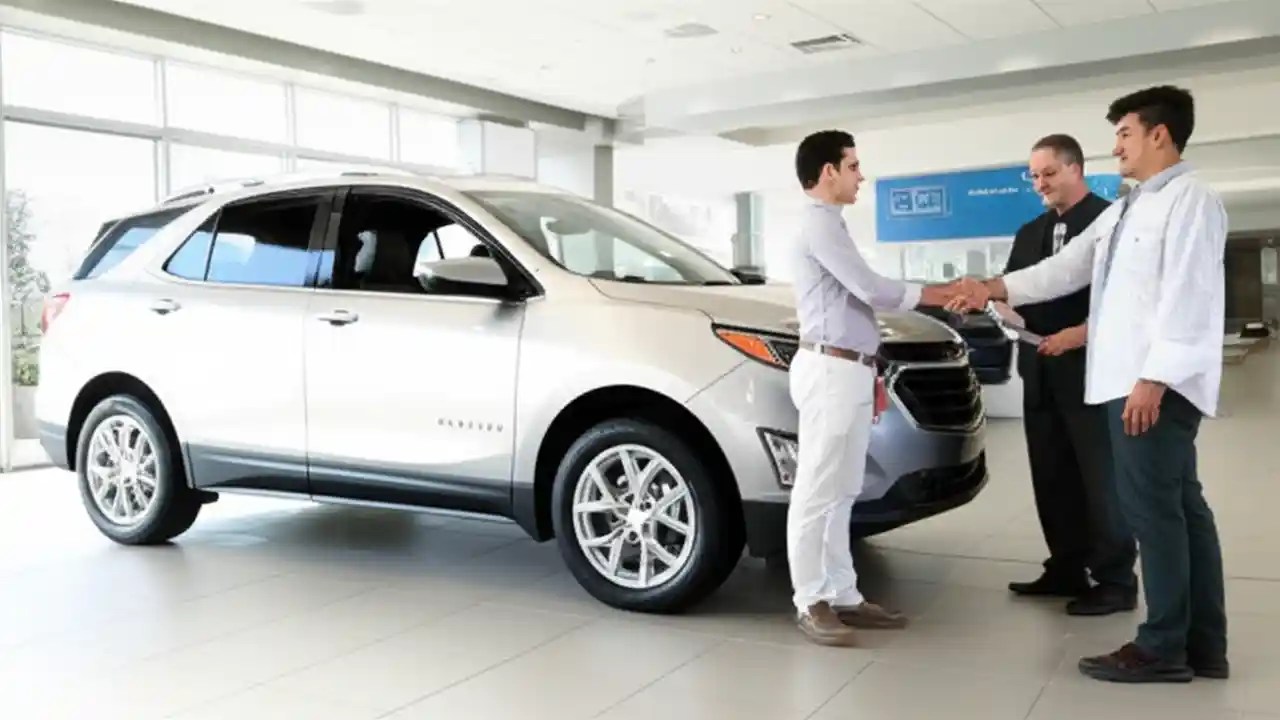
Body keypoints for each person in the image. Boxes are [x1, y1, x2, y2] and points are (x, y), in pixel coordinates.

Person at [950, 86, 1229, 683]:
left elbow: (1189, 296)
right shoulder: (1130, 206)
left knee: (1155, 514)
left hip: (1152, 386)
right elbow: (1066, 268)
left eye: (1125, 133)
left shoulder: (1189, 201)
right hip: (1129, 381)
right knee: (1180, 508)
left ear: (1159, 134)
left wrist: (1153, 379)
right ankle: (1202, 645)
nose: (1117, 145)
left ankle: (1162, 646)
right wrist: (993, 289)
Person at [788, 130, 966, 647]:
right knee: (817, 489)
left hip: (851, 369)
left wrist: (871, 370)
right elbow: (872, 290)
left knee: (844, 489)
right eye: (853, 165)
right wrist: (942, 292)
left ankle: (843, 593)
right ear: (828, 173)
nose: (860, 175)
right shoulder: (816, 226)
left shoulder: (833, 228)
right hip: (828, 371)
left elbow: (856, 304)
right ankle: (810, 599)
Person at [1003, 133, 1139, 616]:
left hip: (1091, 369)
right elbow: (1016, 290)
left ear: (1076, 169)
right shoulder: (1028, 233)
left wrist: (1079, 335)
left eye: (1049, 173)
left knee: (1099, 476)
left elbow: (1125, 299)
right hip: (1039, 369)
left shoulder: (1112, 222)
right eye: (1034, 175)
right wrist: (996, 306)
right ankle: (1065, 565)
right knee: (1052, 473)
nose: (1041, 183)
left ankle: (1116, 579)